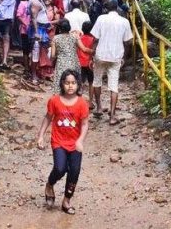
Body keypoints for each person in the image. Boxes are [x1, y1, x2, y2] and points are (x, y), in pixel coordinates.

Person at [36, 69, 89, 215]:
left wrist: (80, 140)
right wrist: (41, 136)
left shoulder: (82, 103)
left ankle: (66, 201)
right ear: (62, 84)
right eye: (67, 83)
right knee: (60, 168)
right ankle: (49, 184)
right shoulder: (54, 101)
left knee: (74, 172)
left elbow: (85, 124)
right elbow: (48, 118)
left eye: (73, 83)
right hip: (58, 141)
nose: (70, 86)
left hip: (75, 144)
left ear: (78, 84)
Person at [91, 0, 132, 124]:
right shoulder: (124, 21)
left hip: (101, 54)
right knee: (114, 86)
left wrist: (92, 54)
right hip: (116, 55)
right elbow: (128, 42)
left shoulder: (101, 19)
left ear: (106, 9)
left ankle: (98, 107)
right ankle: (112, 116)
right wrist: (124, 56)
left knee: (97, 80)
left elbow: (95, 38)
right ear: (117, 8)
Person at [50, 20, 81, 93]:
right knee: (74, 82)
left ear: (60, 28)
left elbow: (53, 55)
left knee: (61, 83)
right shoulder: (74, 37)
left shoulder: (56, 38)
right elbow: (82, 48)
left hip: (61, 64)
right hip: (74, 63)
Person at [76, 20, 98, 110]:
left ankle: (79, 101)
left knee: (80, 82)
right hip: (90, 63)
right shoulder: (93, 40)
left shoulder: (79, 38)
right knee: (91, 82)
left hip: (80, 62)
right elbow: (94, 52)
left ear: (82, 29)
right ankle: (90, 101)